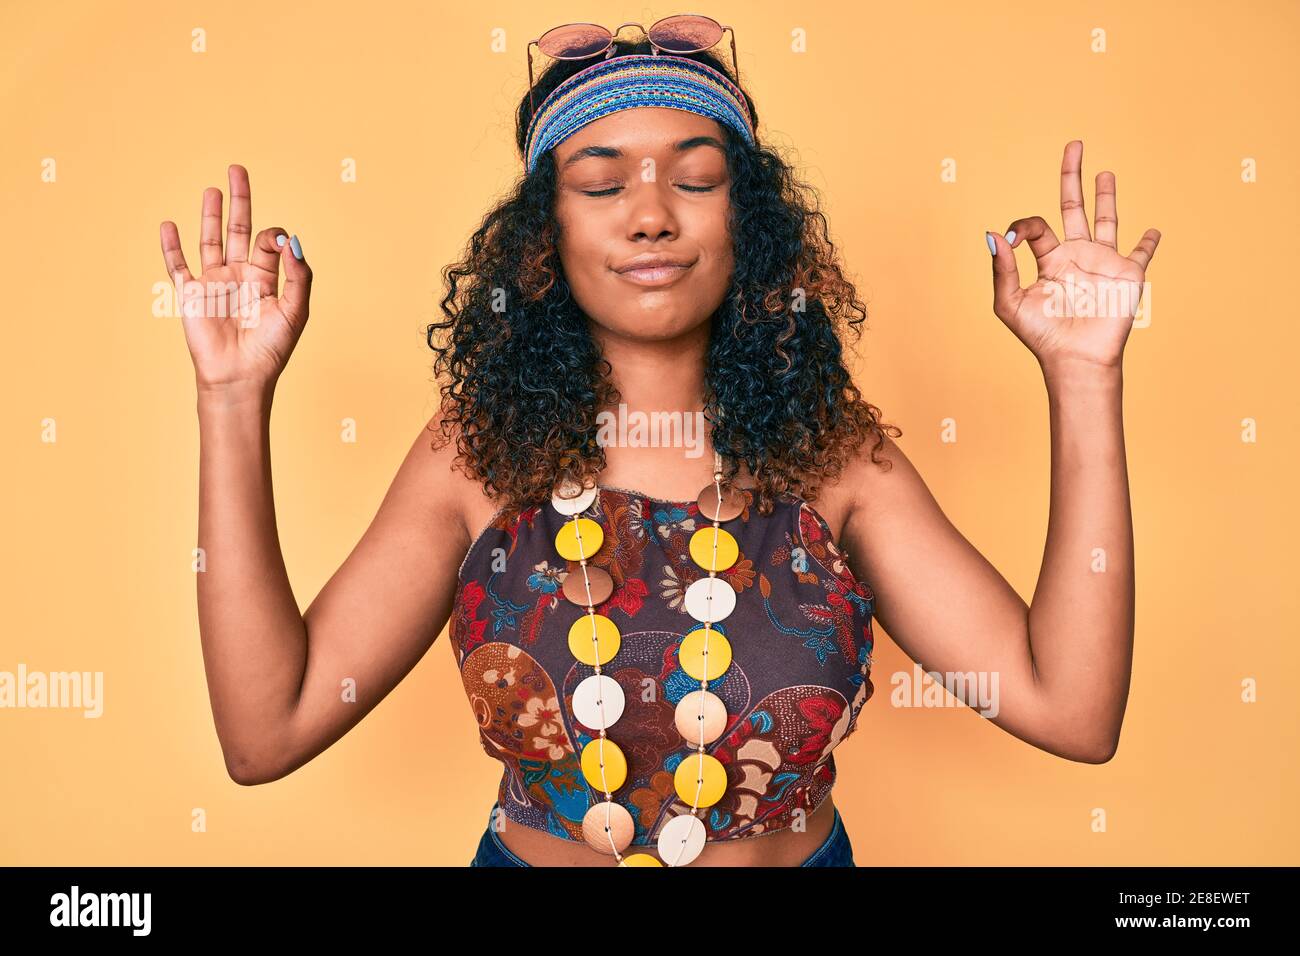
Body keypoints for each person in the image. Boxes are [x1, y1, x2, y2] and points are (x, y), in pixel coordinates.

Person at [157, 16, 1160, 868]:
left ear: (751, 221)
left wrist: (1083, 377)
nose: (647, 215)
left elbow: (1069, 709)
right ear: (543, 236)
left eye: (695, 178)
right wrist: (231, 398)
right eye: (600, 184)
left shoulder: (836, 458)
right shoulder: (475, 455)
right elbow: (266, 727)